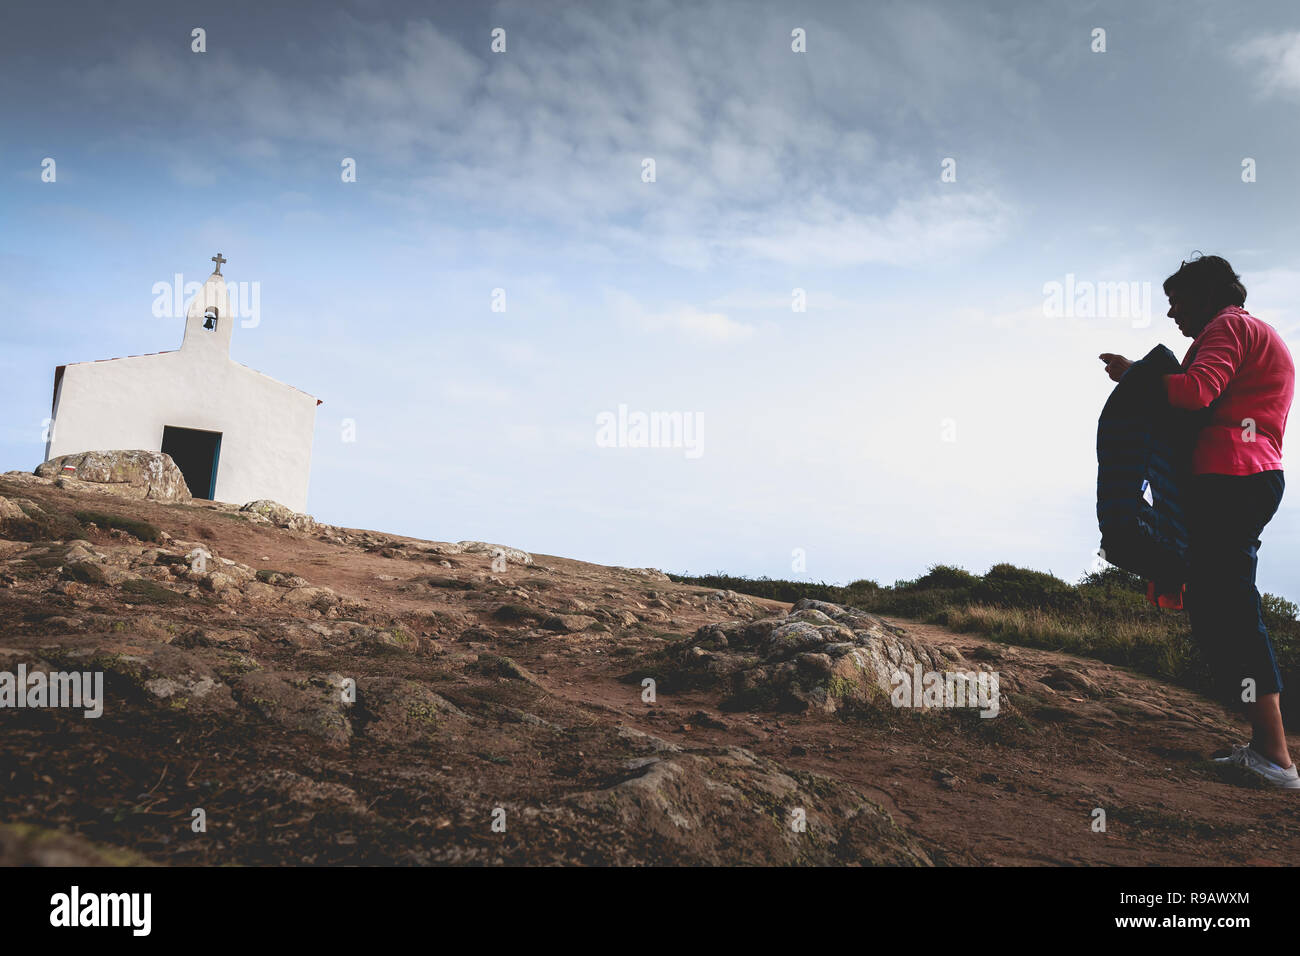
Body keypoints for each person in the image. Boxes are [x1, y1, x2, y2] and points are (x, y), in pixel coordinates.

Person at [1100, 254, 1297, 788]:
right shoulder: (1254, 332)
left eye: (1177, 302)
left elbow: (1195, 392)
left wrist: (1135, 377)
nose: (1172, 315)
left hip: (1231, 478)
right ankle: (1263, 746)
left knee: (1230, 606)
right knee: (1218, 604)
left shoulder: (1228, 326)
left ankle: (1277, 758)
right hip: (1245, 476)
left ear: (1206, 296)